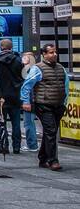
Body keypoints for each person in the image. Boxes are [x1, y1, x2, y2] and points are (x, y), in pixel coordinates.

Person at [24, 43, 70, 172]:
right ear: (44, 54)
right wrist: (26, 102)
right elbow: (27, 86)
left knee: (51, 132)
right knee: (51, 131)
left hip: (58, 105)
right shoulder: (37, 68)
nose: (54, 54)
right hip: (44, 105)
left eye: (55, 52)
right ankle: (53, 160)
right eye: (51, 52)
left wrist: (65, 102)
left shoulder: (61, 68)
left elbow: (66, 85)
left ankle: (42, 157)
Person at [0, 38, 25, 155]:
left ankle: (4, 145)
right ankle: (16, 147)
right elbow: (23, 77)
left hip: (1, 97)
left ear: (1, 48)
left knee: (1, 122)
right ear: (11, 48)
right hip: (15, 95)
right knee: (16, 122)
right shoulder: (18, 60)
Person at [19, 51, 41, 152]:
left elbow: (27, 88)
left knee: (28, 123)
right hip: (37, 99)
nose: (22, 59)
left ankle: (32, 145)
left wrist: (26, 101)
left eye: (25, 58)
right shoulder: (32, 69)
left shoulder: (32, 70)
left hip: (31, 100)